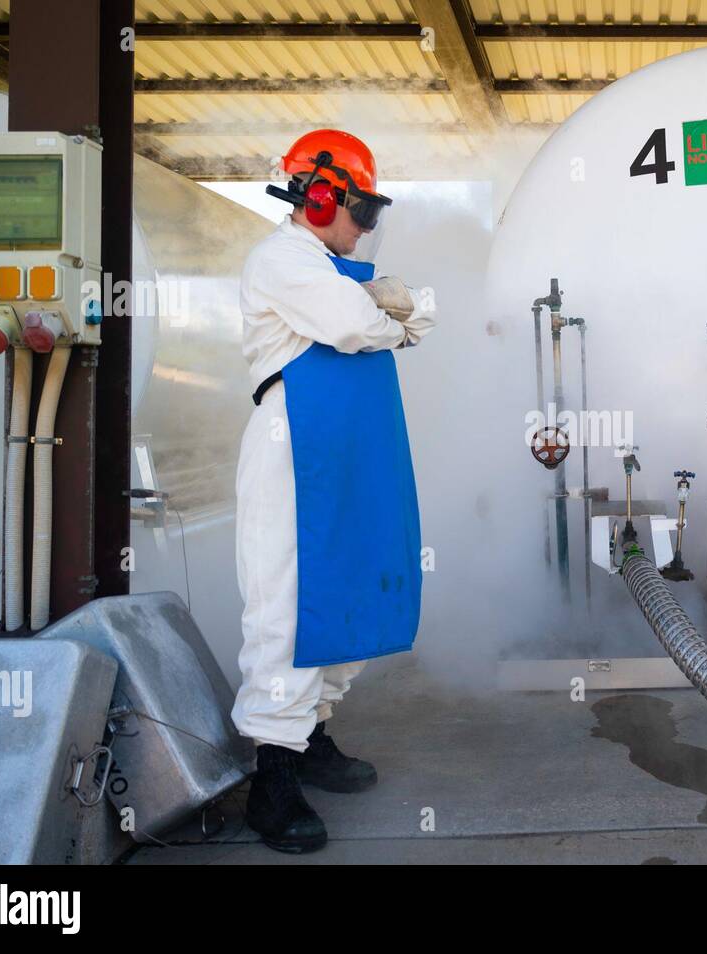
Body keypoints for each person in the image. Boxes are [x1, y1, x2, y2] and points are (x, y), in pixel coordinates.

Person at [231, 129, 434, 852]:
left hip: (340, 448)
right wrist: (389, 316)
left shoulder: (323, 264)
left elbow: (397, 316)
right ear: (319, 196)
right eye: (363, 209)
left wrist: (387, 309)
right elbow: (354, 326)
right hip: (295, 449)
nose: (366, 226)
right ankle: (272, 779)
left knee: (341, 589)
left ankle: (313, 736)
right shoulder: (283, 258)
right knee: (288, 606)